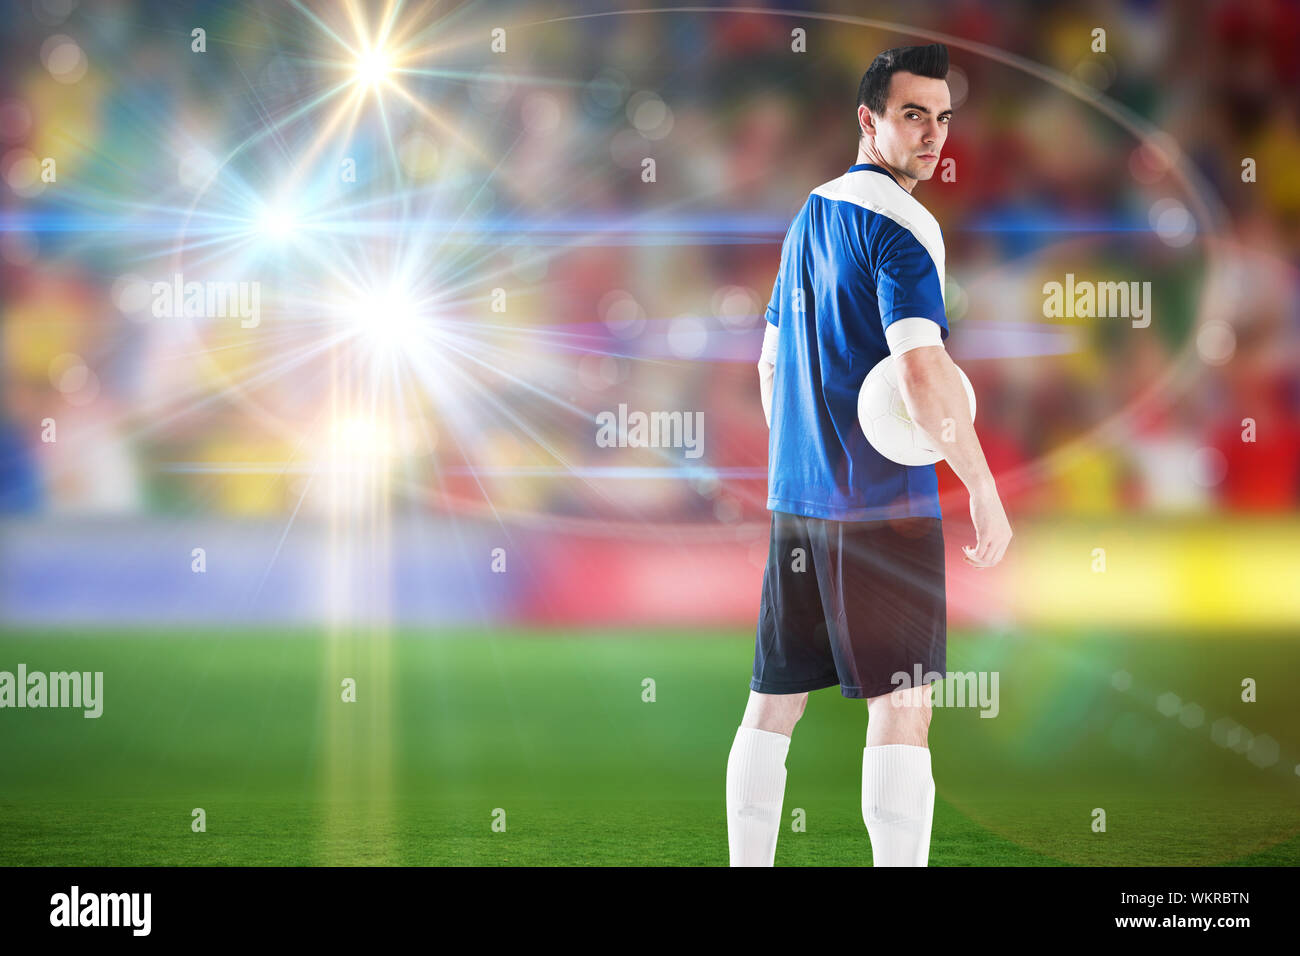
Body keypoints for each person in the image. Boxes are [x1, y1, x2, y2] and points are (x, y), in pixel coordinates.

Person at [726, 43, 1012, 867]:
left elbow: (769, 364)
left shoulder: (807, 217)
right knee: (903, 708)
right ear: (869, 121)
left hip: (799, 504)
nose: (933, 135)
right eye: (913, 115)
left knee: (773, 704)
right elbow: (922, 369)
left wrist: (803, 462)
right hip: (885, 511)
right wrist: (982, 484)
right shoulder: (906, 224)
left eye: (943, 117)